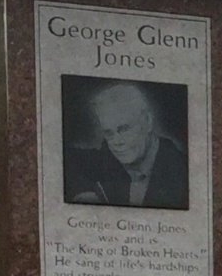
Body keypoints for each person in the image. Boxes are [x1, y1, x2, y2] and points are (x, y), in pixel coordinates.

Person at [63, 81, 189, 209]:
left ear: (148, 121)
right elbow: (65, 156)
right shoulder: (105, 158)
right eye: (109, 133)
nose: (117, 141)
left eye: (124, 129)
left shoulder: (183, 172)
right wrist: (83, 192)